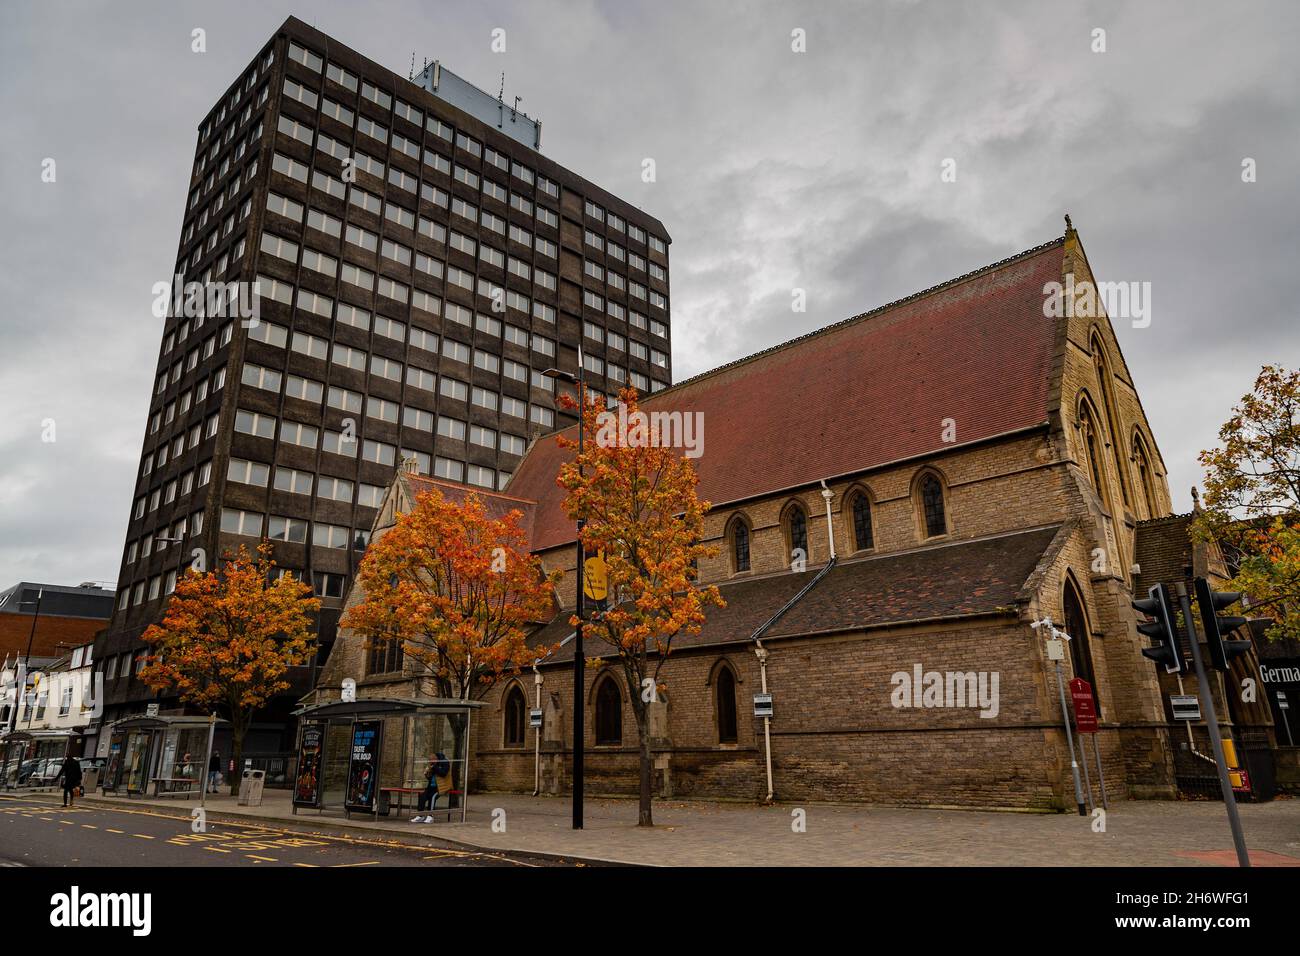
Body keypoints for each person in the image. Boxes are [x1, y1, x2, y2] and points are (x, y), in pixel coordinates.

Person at [412, 752, 451, 823]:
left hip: (441, 787)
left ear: (435, 759)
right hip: (431, 786)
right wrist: (427, 774)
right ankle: (420, 815)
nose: (430, 762)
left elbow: (443, 774)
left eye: (431, 761)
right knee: (422, 796)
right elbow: (431, 778)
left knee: (432, 797)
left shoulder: (444, 762)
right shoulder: (433, 765)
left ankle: (430, 816)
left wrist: (434, 767)